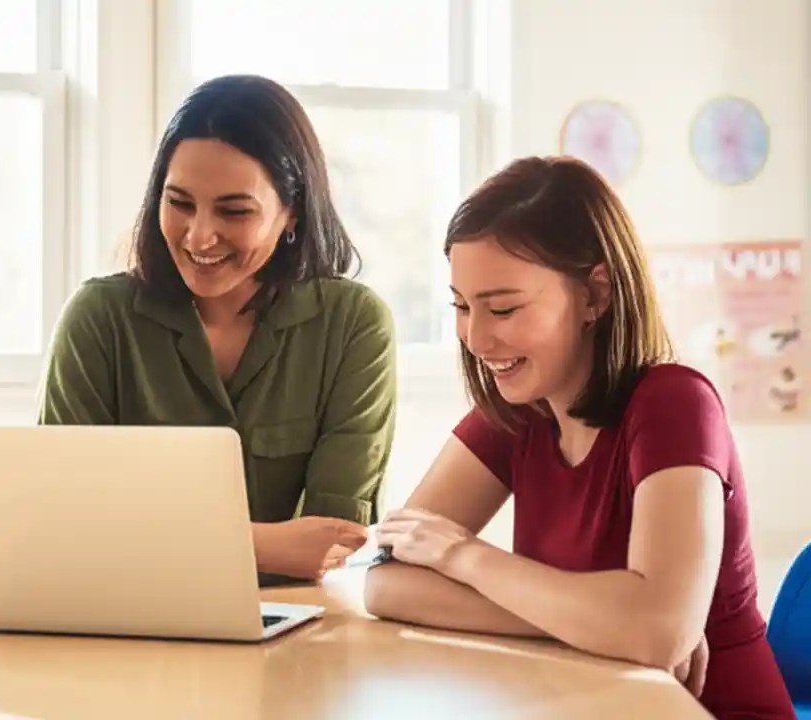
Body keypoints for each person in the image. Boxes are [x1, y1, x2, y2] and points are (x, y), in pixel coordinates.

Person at [364, 156, 795, 719]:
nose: (475, 336)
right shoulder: (514, 414)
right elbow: (388, 585)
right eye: (462, 307)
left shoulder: (674, 404)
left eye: (503, 307)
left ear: (596, 295)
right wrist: (604, 623)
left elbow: (657, 631)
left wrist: (464, 556)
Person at [39, 75, 395, 583]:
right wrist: (264, 545)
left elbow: (333, 540)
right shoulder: (99, 319)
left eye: (234, 211)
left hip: (297, 626)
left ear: (291, 214)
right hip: (125, 615)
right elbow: (63, 519)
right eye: (179, 202)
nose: (199, 235)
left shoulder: (354, 326)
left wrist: (147, 535)